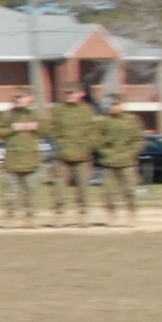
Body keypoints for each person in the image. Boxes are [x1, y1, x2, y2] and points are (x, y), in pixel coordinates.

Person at [43, 82, 99, 228]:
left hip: (83, 156)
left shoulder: (88, 110)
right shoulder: (59, 109)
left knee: (83, 187)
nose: (69, 96)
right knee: (59, 187)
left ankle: (83, 216)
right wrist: (61, 143)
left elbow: (95, 131)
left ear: (81, 94)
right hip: (62, 155)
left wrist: (88, 146)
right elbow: (51, 128)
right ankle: (59, 215)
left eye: (72, 93)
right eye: (67, 93)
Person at [93, 90, 146, 225]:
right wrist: (104, 151)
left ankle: (132, 214)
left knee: (130, 190)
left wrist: (131, 153)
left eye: (117, 104)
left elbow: (138, 140)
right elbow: (96, 140)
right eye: (112, 105)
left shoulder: (132, 120)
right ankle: (112, 216)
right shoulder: (104, 121)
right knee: (109, 192)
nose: (114, 107)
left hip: (127, 162)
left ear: (122, 105)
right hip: (109, 162)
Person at [0, 91, 46, 227]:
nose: (20, 100)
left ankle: (30, 219)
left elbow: (45, 131)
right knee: (11, 192)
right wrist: (13, 128)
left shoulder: (35, 115)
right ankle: (10, 218)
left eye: (23, 97)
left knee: (30, 192)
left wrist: (36, 127)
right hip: (13, 159)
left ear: (30, 99)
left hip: (32, 159)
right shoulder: (7, 115)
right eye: (17, 97)